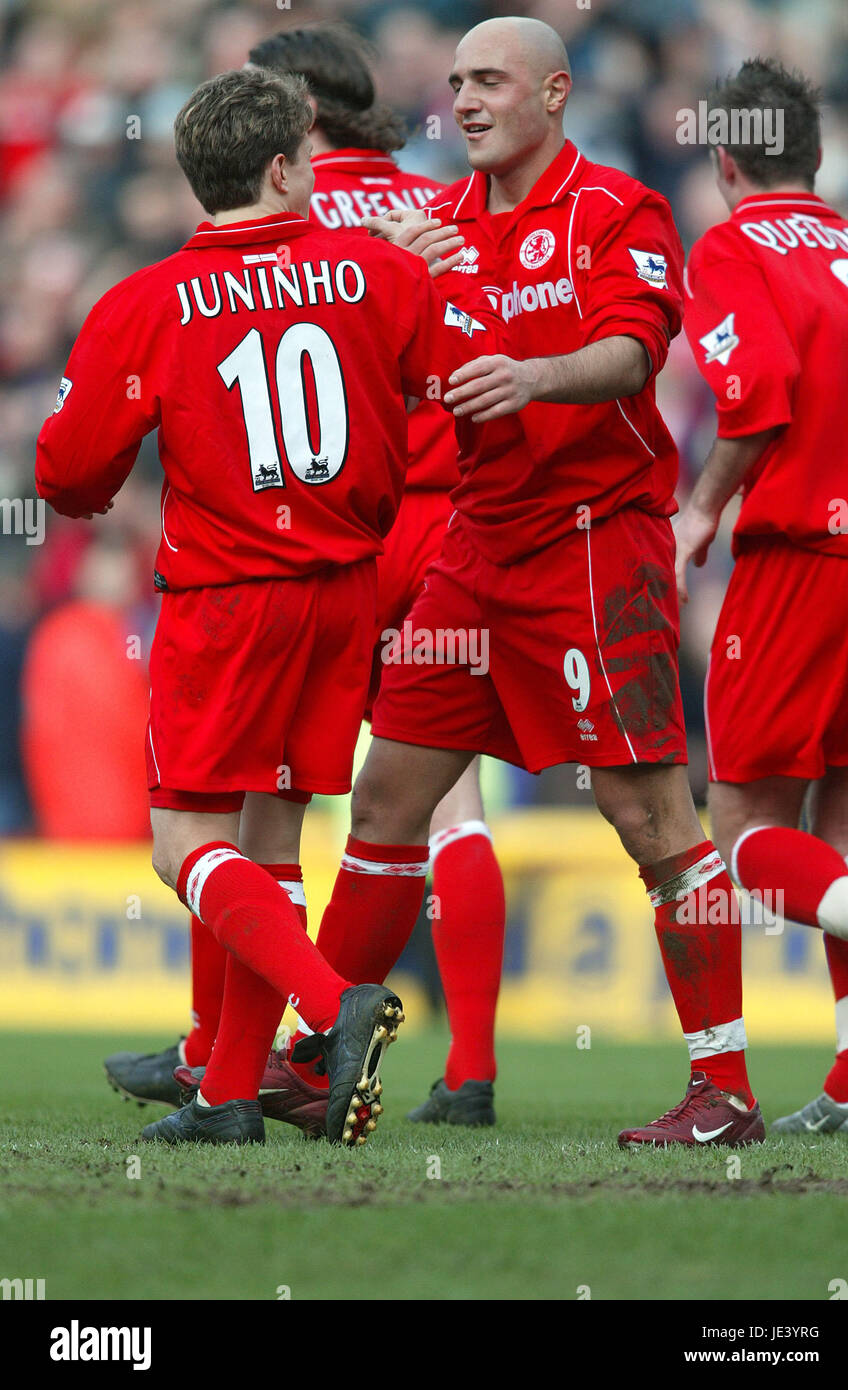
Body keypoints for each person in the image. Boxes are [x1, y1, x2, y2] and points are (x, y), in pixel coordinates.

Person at [303, 14, 766, 1148]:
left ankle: (725, 1090)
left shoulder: (616, 209)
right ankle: (321, 1062)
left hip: (596, 543)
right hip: (476, 549)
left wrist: (535, 377)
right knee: (386, 800)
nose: (462, 100)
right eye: (454, 82)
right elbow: (371, 371)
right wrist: (382, 290)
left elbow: (634, 349)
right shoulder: (433, 226)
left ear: (553, 93)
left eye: (488, 82)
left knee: (645, 812)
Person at [36, 66, 509, 1147]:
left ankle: (327, 998)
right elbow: (466, 392)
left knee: (184, 846)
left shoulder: (143, 300)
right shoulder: (377, 275)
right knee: (272, 840)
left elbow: (65, 474)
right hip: (347, 589)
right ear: (286, 167)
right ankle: (229, 1094)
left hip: (224, 601)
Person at [677, 59, 848, 1134]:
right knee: (845, 820)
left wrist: (699, 509)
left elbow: (753, 397)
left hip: (799, 557)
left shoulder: (733, 244)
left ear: (722, 161)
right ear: (814, 156)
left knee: (746, 831)